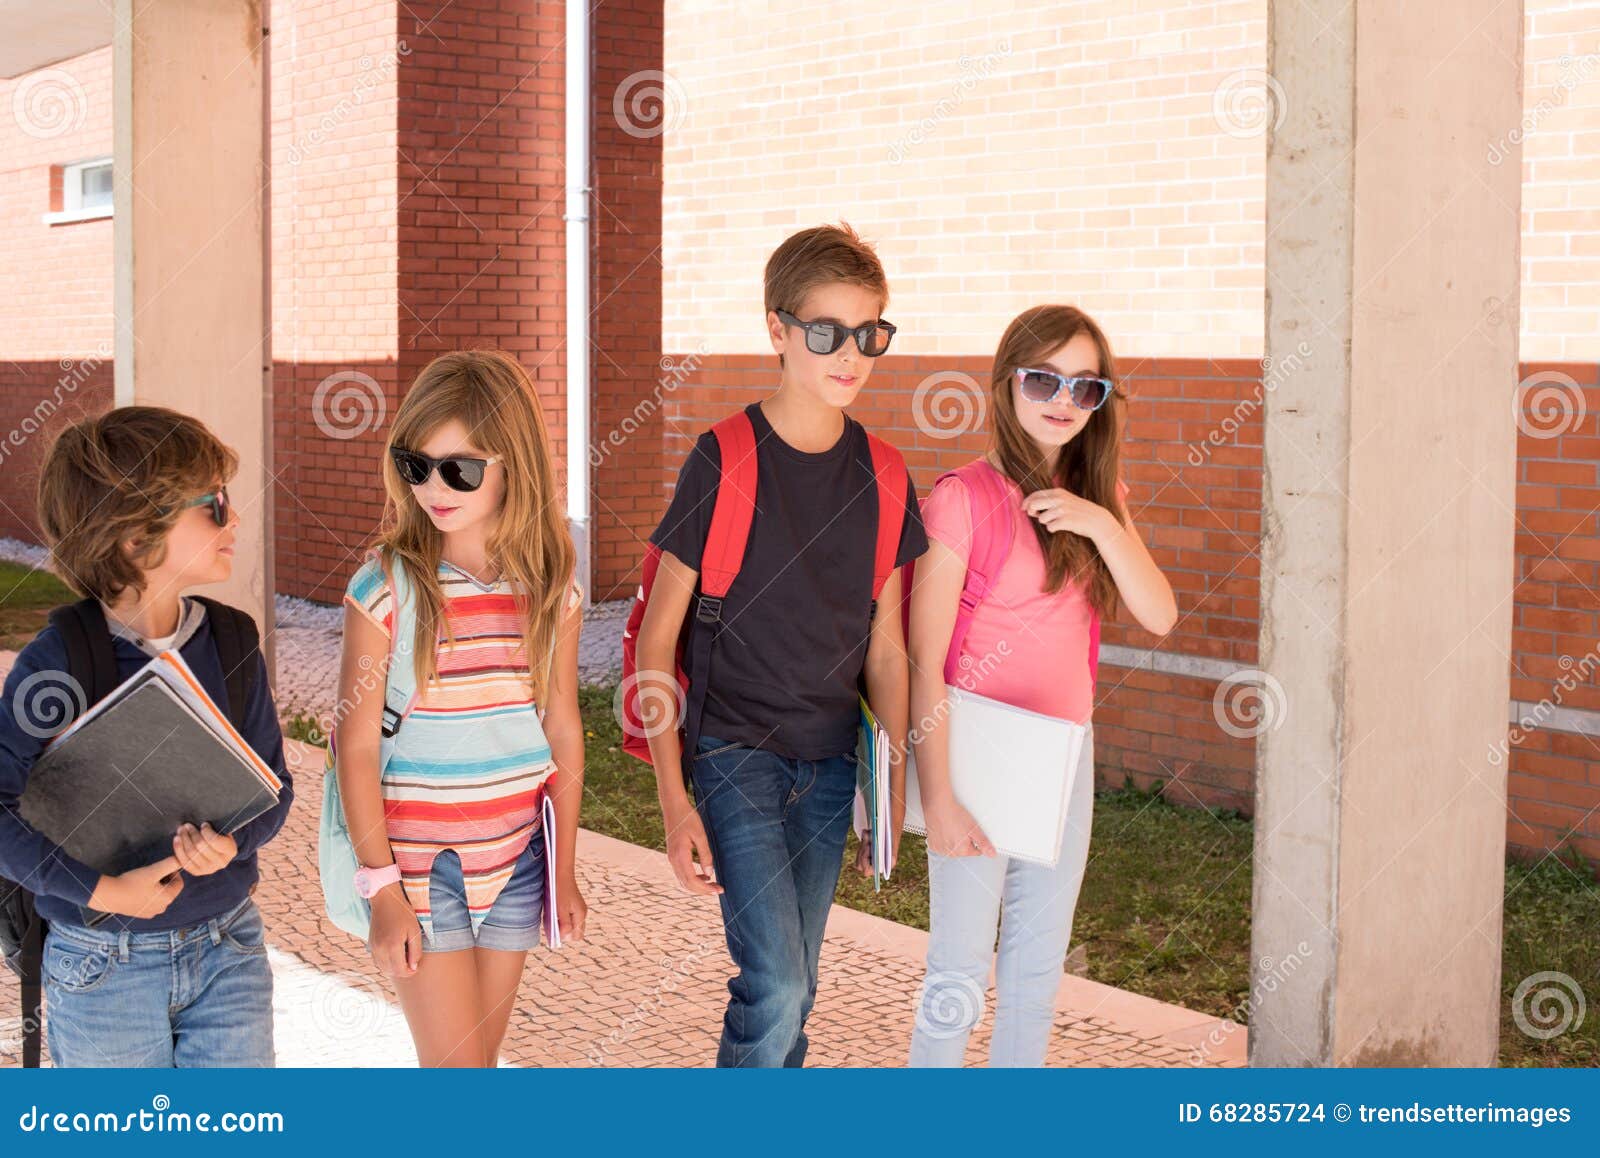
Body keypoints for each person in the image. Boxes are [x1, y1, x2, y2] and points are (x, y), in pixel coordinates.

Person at [906, 305, 1177, 1067]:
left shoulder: (1100, 502)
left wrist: (1101, 522)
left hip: (1062, 758)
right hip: (974, 754)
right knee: (958, 972)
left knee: (1033, 979)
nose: (1062, 400)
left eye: (1085, 387)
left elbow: (1159, 614)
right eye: (1042, 379)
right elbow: (924, 659)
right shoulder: (961, 498)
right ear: (1006, 384)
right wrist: (941, 798)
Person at [0, 405, 295, 1067]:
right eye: (214, 504)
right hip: (102, 963)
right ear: (135, 539)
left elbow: (273, 790)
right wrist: (107, 894)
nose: (236, 519)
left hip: (230, 948)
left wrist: (230, 844)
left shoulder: (232, 639)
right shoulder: (57, 663)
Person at [335, 349, 586, 1067]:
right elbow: (352, 746)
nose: (433, 488)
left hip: (516, 861)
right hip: (421, 869)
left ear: (515, 469)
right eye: (417, 466)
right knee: (458, 1076)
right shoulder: (385, 587)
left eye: (461, 469)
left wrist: (563, 865)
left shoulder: (549, 586)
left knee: (476, 1064)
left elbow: (562, 726)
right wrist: (382, 890)